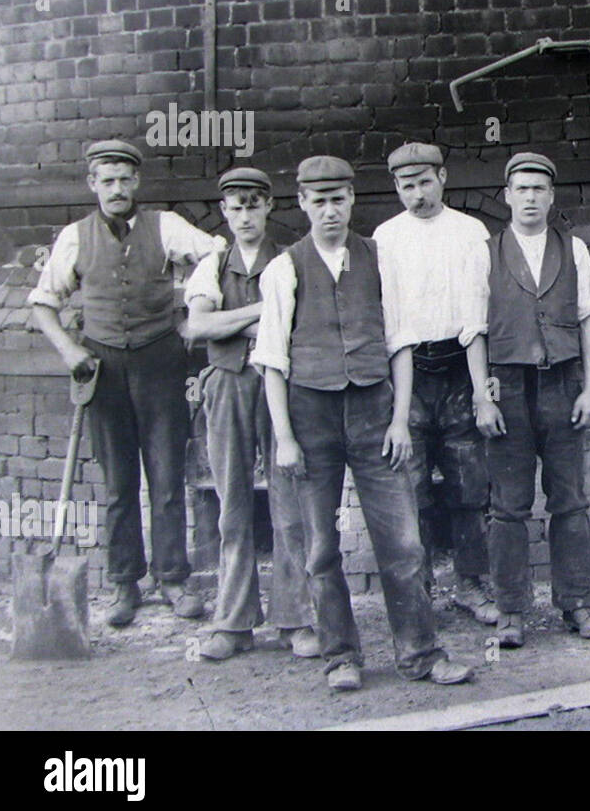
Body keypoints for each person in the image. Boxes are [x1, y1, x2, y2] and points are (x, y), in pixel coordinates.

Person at [251, 155, 471, 692]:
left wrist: (399, 420)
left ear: (353, 200)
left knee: (403, 543)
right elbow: (273, 361)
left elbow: (400, 343)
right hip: (310, 419)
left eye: (339, 200)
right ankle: (341, 657)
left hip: (375, 414)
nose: (330, 211)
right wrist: (284, 438)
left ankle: (421, 654)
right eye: (319, 201)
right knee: (321, 547)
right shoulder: (284, 269)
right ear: (302, 204)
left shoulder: (380, 259)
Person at [30, 139, 223, 627]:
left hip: (161, 364)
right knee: (118, 485)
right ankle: (124, 584)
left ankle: (173, 579)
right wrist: (70, 350)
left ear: (137, 181)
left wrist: (193, 305)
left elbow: (217, 252)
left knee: (165, 479)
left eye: (124, 179)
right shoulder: (75, 237)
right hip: (104, 370)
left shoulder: (166, 227)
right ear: (92, 184)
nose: (117, 189)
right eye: (106, 180)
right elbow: (42, 303)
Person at [184, 167, 318, 661]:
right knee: (232, 506)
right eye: (235, 207)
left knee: (289, 505)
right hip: (225, 388)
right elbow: (196, 327)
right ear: (224, 212)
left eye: (253, 205)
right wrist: (263, 313)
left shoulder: (288, 261)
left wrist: (233, 323)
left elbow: (298, 328)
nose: (244, 215)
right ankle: (233, 623)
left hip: (278, 386)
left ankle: (295, 620)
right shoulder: (211, 265)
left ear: (268, 208)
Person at [484, 152, 590, 648]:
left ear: (551, 196)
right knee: (508, 506)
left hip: (561, 382)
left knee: (571, 500)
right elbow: (475, 329)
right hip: (508, 384)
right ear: (508, 195)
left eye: (540, 189)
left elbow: (587, 319)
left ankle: (577, 603)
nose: (531, 197)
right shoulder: (488, 250)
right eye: (522, 189)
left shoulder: (573, 247)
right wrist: (483, 396)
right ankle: (511, 611)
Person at [372, 142, 500, 626]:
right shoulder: (385, 239)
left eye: (425, 182)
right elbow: (388, 317)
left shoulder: (470, 233)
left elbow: (476, 313)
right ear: (396, 188)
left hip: (458, 368)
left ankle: (470, 584)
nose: (418, 194)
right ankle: (418, 591)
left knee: (470, 485)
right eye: (407, 186)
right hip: (407, 374)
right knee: (411, 489)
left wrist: (481, 390)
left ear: (443, 177)